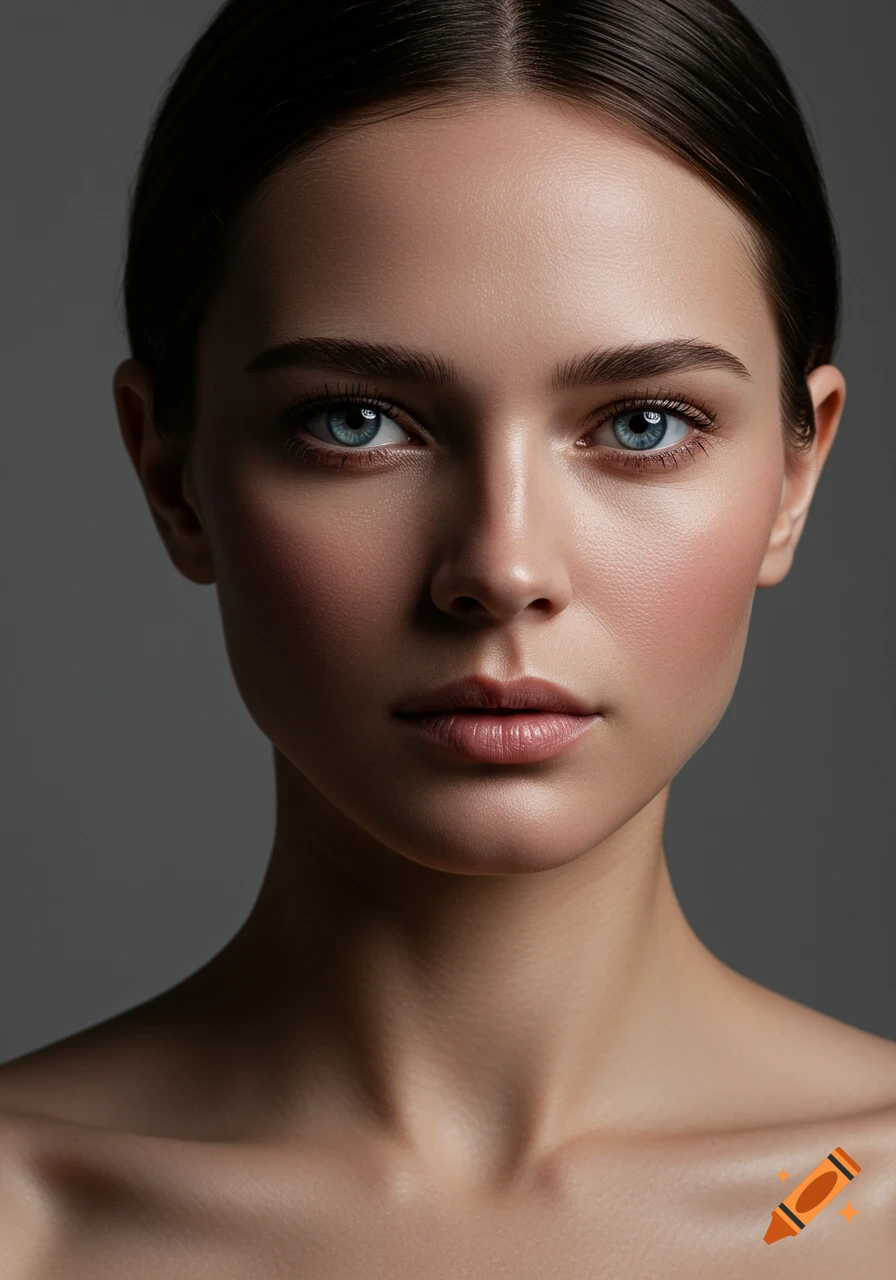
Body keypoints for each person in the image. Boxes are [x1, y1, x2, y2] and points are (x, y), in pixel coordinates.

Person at [1, 0, 894, 1275]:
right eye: (355, 421)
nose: (502, 568)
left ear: (794, 477)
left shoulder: (858, 1200)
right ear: (171, 474)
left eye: (640, 424)